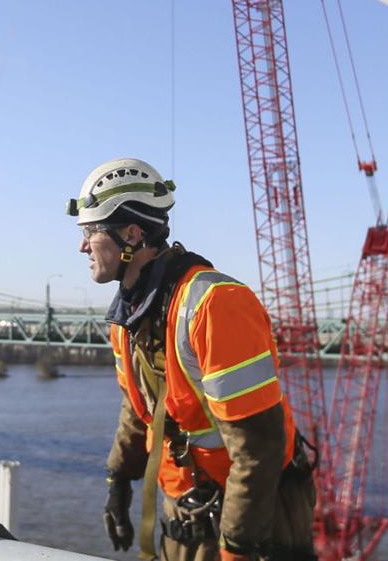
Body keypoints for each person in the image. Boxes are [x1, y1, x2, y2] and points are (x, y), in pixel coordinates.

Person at [70, 158, 316, 561]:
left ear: (131, 234)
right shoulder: (128, 316)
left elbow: (260, 448)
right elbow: (142, 407)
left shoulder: (214, 305)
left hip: (256, 523)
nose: (82, 246)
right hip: (186, 515)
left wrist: (236, 549)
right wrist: (119, 479)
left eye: (90, 232)